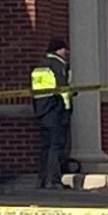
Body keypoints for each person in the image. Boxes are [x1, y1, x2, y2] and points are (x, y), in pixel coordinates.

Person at [30, 37, 71, 188]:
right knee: (56, 146)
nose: (66, 52)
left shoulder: (40, 66)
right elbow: (63, 89)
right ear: (59, 50)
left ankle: (42, 179)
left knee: (46, 147)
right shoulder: (59, 66)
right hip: (56, 111)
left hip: (42, 111)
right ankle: (53, 180)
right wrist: (65, 109)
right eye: (64, 49)